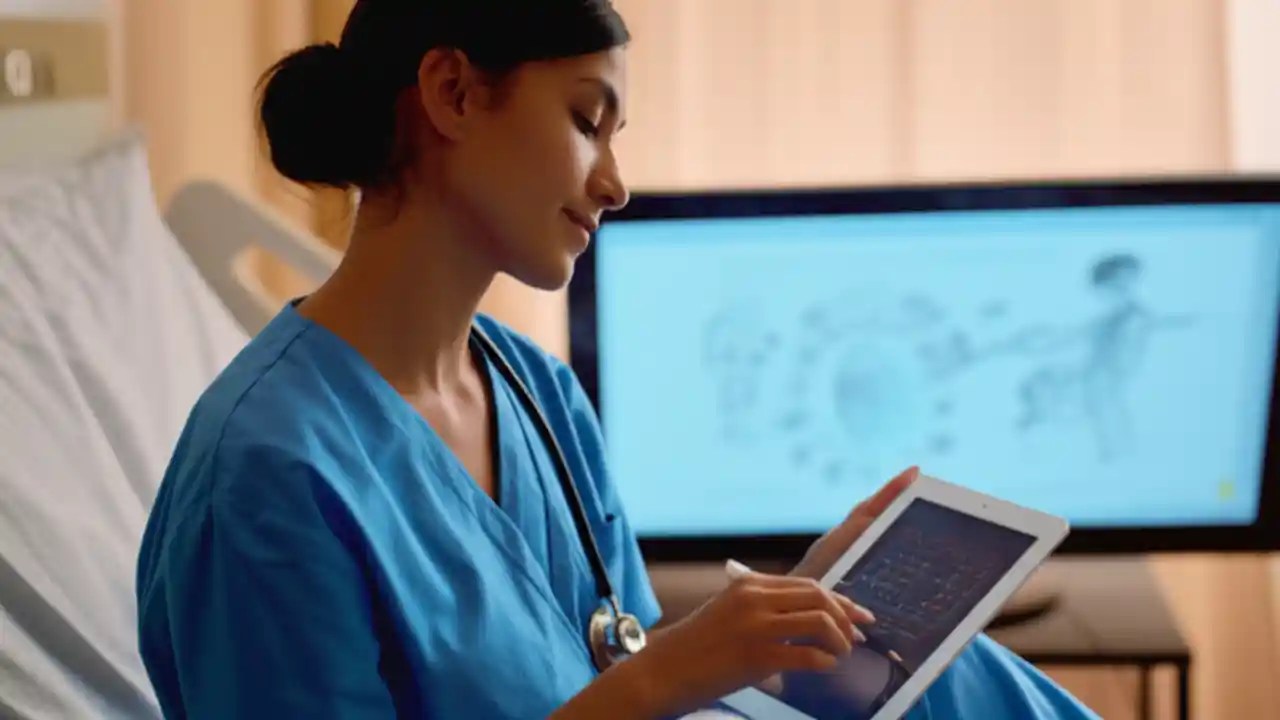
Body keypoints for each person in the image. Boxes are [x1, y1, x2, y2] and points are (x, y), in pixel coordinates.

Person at [133, 1, 1101, 718]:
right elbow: (638, 689)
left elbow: (620, 666)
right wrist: (674, 671)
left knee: (932, 675)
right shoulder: (267, 474)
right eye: (586, 120)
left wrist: (775, 620)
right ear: (452, 93)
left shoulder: (534, 391)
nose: (615, 183)